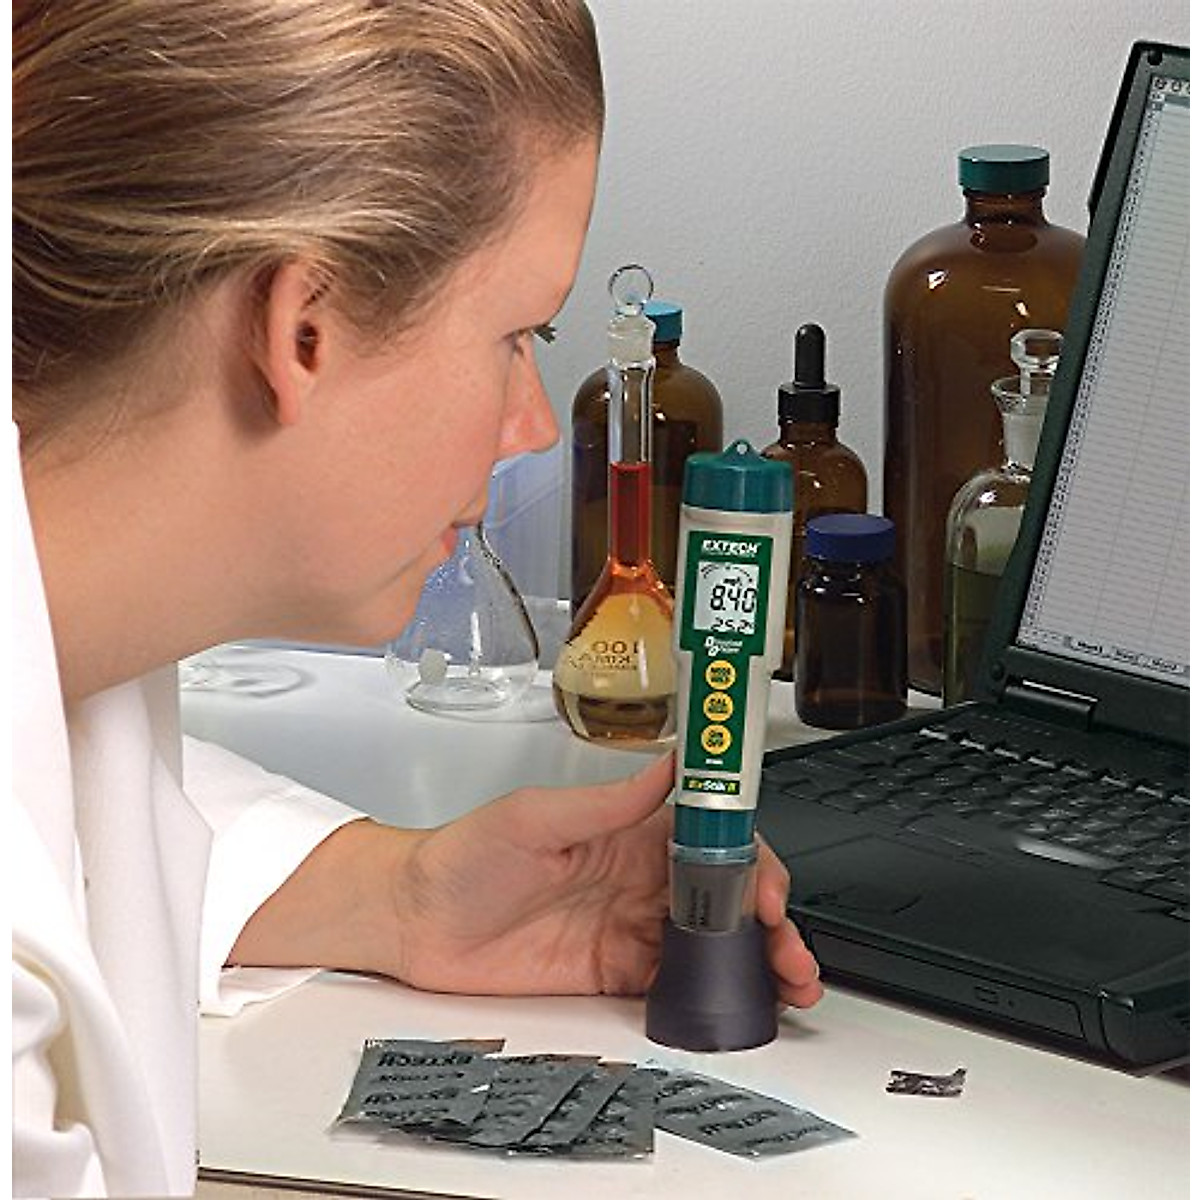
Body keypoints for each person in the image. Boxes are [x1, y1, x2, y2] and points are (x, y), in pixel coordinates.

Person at [11, 1, 823, 1194]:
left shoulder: (85, 648)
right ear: (304, 327)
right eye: (516, 335)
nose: (531, 423)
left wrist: (400, 897)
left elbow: (94, 823)